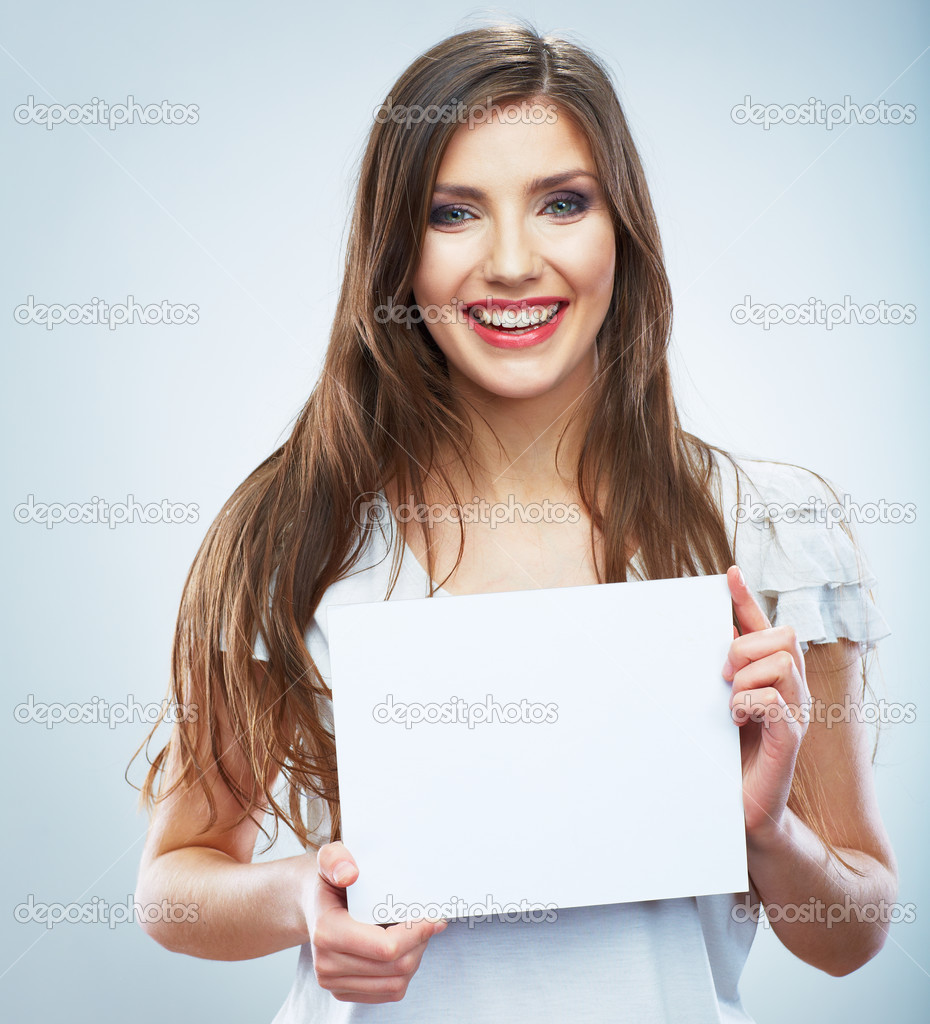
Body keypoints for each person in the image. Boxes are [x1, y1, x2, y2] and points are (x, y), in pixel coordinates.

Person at [130, 22, 898, 1022]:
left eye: (562, 203)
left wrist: (766, 832)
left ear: (620, 224)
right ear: (396, 250)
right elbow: (173, 881)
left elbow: (855, 930)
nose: (510, 261)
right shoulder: (296, 528)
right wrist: (300, 896)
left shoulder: (765, 530)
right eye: (454, 214)